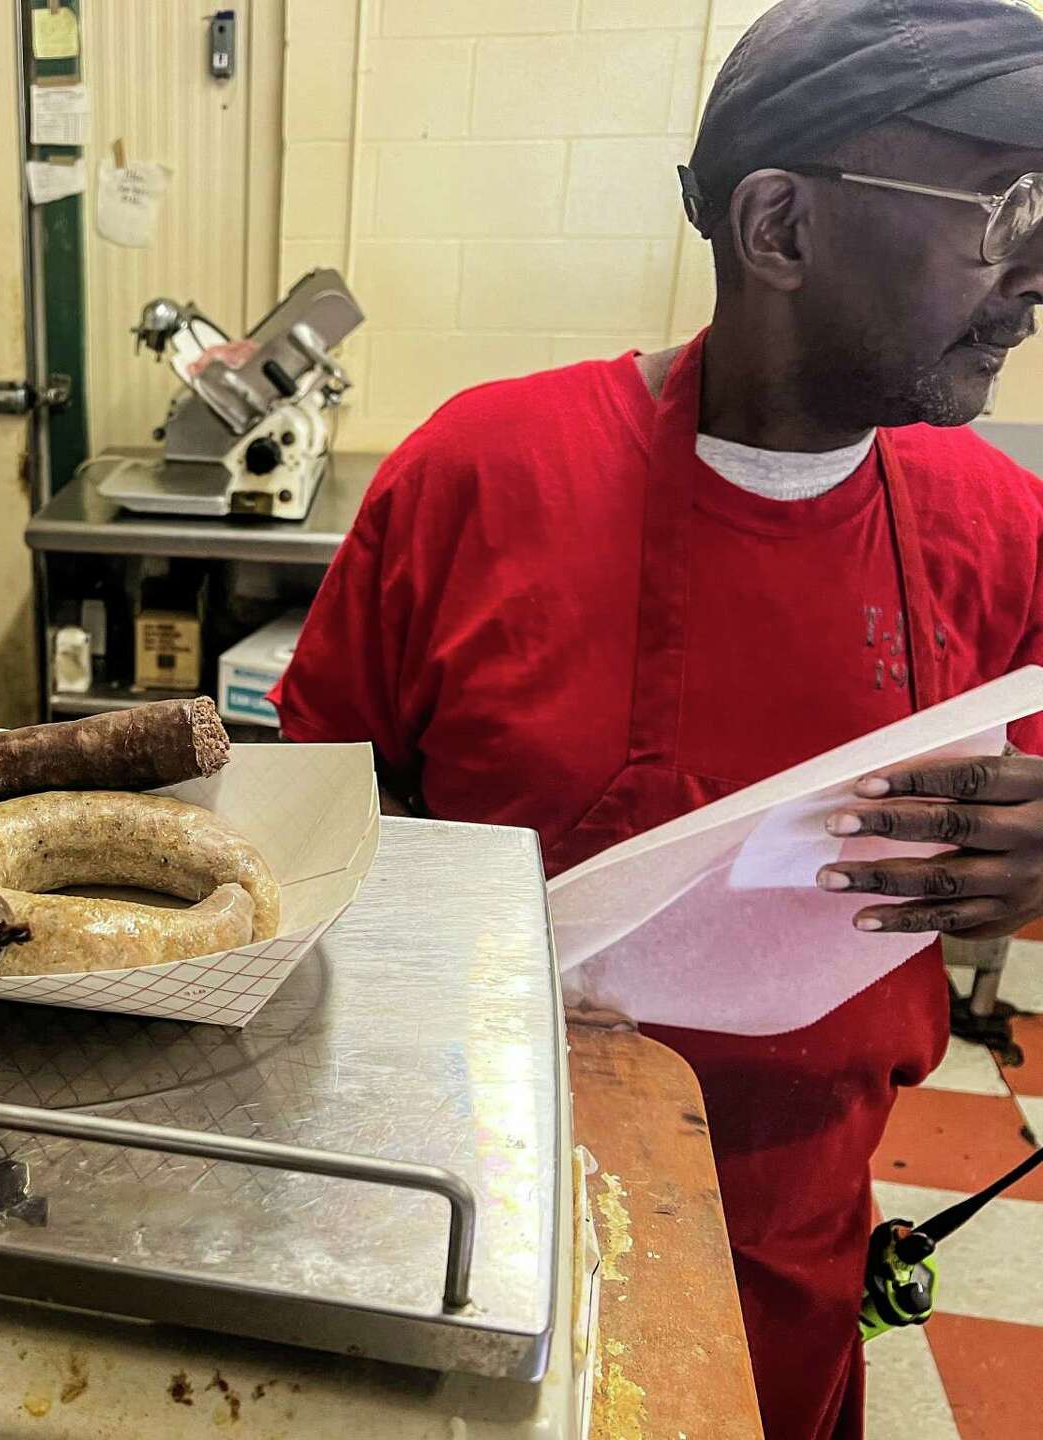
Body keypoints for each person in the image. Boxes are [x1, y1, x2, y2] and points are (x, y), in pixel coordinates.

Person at [271, 3, 1043, 1437]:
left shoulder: (999, 530)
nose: (1035, 278)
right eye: (1007, 211)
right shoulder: (483, 475)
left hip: (788, 1246)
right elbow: (313, 802)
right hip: (453, 1201)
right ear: (780, 228)